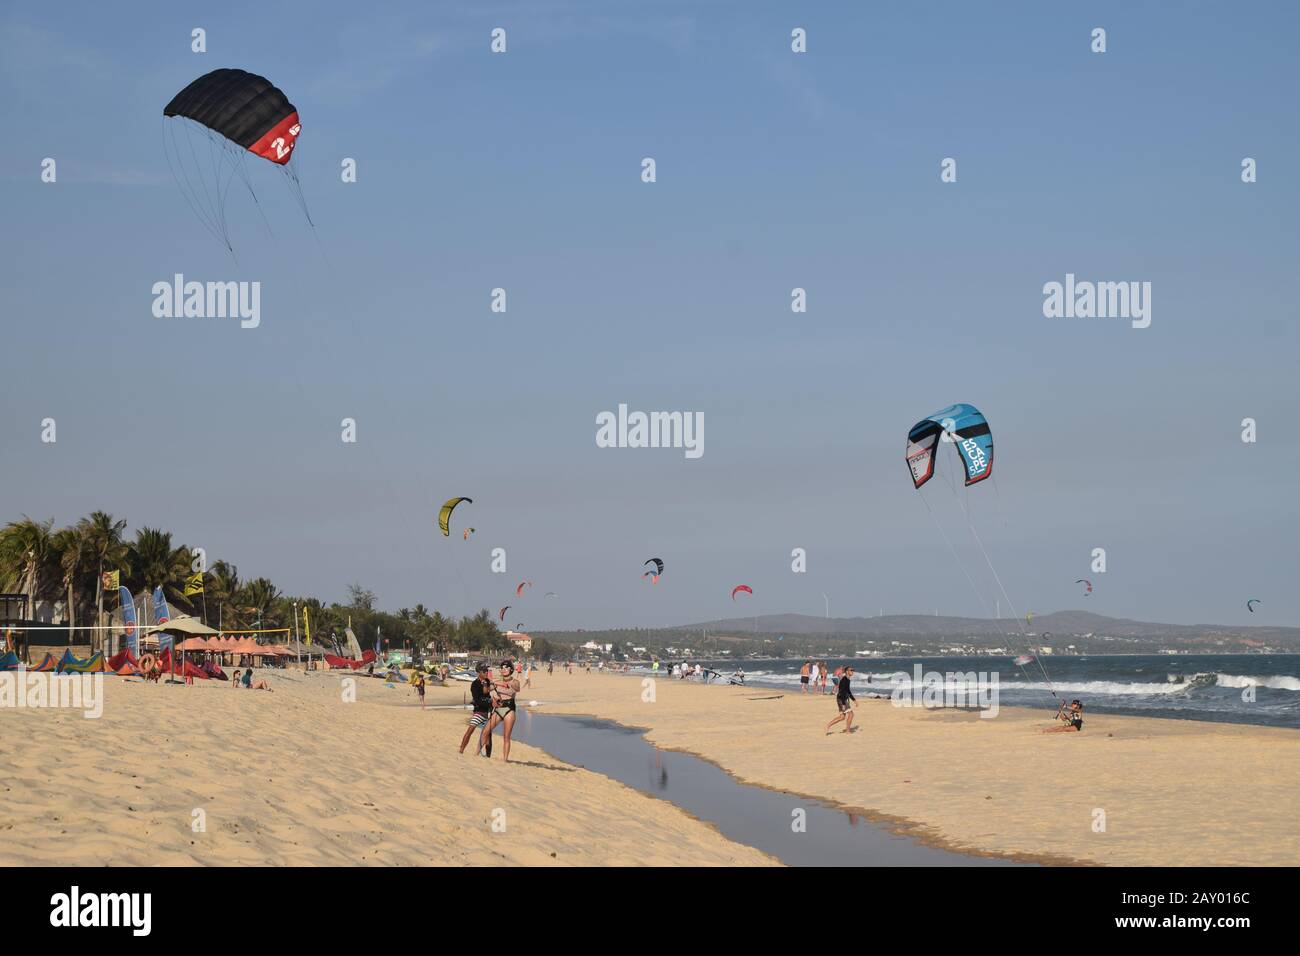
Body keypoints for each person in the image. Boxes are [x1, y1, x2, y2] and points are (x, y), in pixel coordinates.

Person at [486, 660, 521, 762]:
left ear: (511, 669)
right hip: (499, 709)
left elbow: (517, 688)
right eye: (502, 668)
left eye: (506, 668)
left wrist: (501, 683)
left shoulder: (515, 681)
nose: (504, 670)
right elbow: (488, 689)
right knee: (486, 730)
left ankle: (505, 759)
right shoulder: (497, 681)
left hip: (509, 709)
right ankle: (477, 753)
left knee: (506, 736)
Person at [459, 664, 494, 757]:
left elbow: (488, 694)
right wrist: (490, 703)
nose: (487, 672)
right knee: (470, 730)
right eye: (484, 671)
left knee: (488, 736)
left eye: (487, 670)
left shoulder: (487, 681)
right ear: (479, 673)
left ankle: (488, 756)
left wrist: (492, 702)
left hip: (487, 713)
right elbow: (477, 699)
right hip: (479, 712)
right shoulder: (474, 684)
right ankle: (461, 750)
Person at [826, 665, 856, 734]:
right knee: (851, 714)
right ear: (847, 672)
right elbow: (842, 692)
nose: (852, 672)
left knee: (842, 717)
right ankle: (848, 730)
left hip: (841, 698)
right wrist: (843, 703)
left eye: (853, 670)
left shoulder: (847, 679)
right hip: (842, 699)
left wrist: (854, 700)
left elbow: (848, 691)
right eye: (851, 670)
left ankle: (828, 725)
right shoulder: (844, 680)